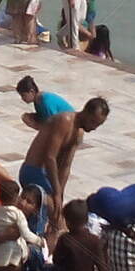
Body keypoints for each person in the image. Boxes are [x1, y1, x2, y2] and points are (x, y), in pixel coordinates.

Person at [21, 97, 109, 241]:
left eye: (98, 125)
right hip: (33, 171)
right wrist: (55, 193)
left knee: (59, 212)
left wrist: (60, 194)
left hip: (47, 178)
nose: (94, 128)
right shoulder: (65, 121)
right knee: (57, 217)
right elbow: (50, 157)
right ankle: (54, 249)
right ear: (85, 112)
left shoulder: (79, 134)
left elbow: (65, 166)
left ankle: (53, 246)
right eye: (93, 122)